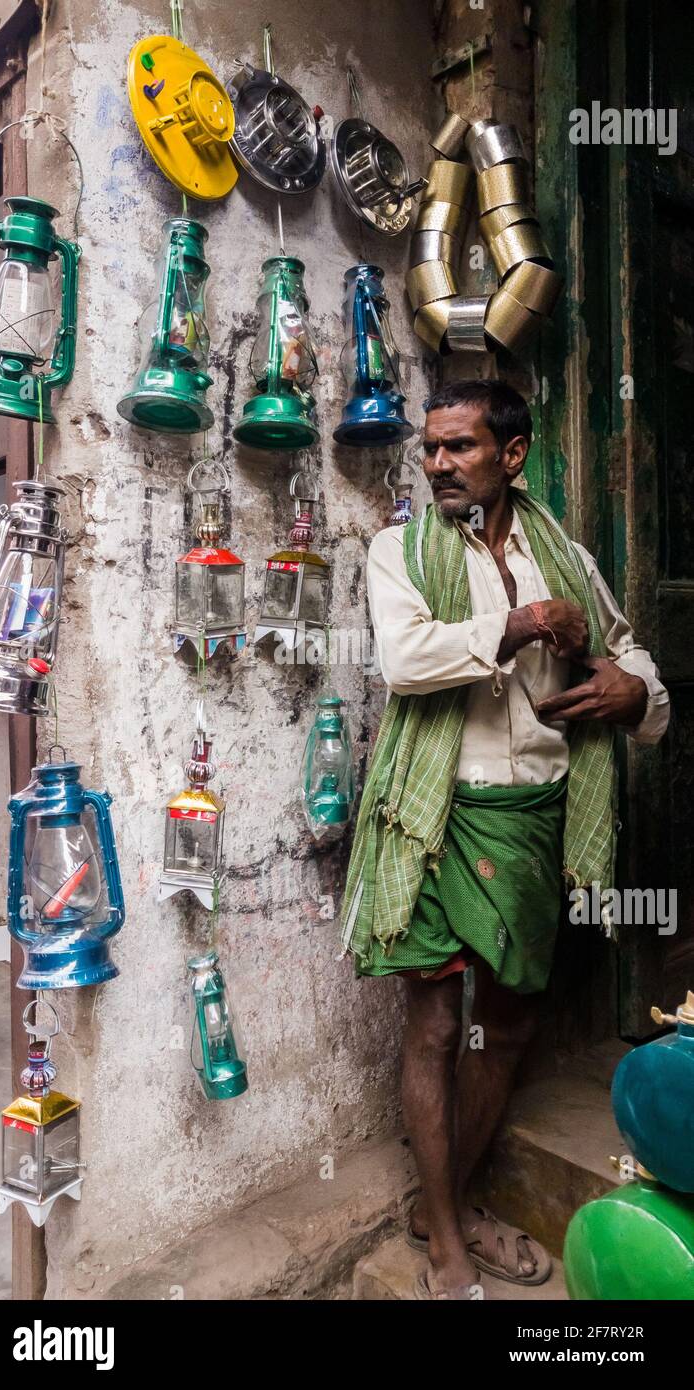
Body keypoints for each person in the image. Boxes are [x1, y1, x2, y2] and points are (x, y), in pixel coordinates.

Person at [340, 379, 670, 1300]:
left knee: (512, 1022)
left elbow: (627, 648)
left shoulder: (562, 553)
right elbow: (407, 663)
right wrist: (526, 622)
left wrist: (631, 693)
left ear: (511, 454)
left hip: (530, 816)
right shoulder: (397, 550)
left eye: (459, 447)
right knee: (435, 1024)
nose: (438, 464)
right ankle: (447, 1234)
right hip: (432, 815)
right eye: (430, 448)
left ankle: (445, 1197)